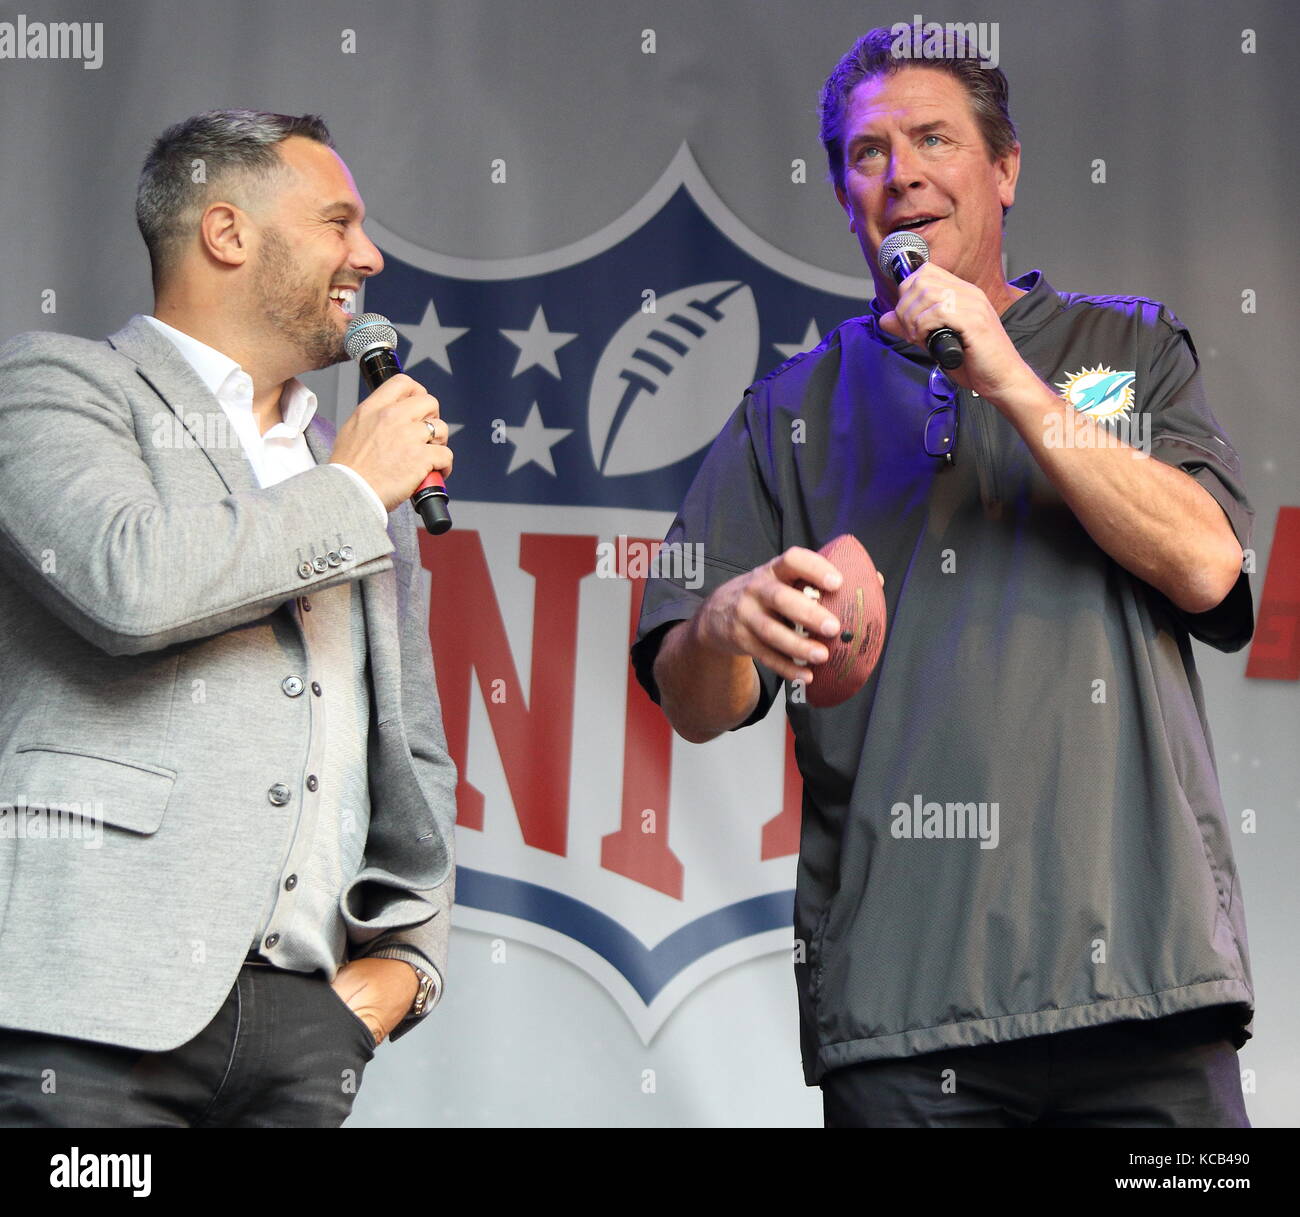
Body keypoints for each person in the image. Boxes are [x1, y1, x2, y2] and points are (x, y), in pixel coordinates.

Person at [631, 29, 1256, 1128]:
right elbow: (692, 700)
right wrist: (725, 622)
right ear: (842, 195)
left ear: (1004, 169)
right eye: (866, 153)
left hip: (1145, 995)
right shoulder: (786, 411)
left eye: (933, 139)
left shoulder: (1133, 347)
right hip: (902, 1018)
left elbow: (1208, 568)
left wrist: (1005, 370)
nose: (901, 171)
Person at [0, 110, 457, 1127]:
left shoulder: (351, 465)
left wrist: (405, 968)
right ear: (226, 232)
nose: (369, 254)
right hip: (87, 1014)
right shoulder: (56, 386)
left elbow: (410, 745)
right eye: (339, 222)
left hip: (303, 1034)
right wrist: (350, 491)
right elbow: (127, 581)